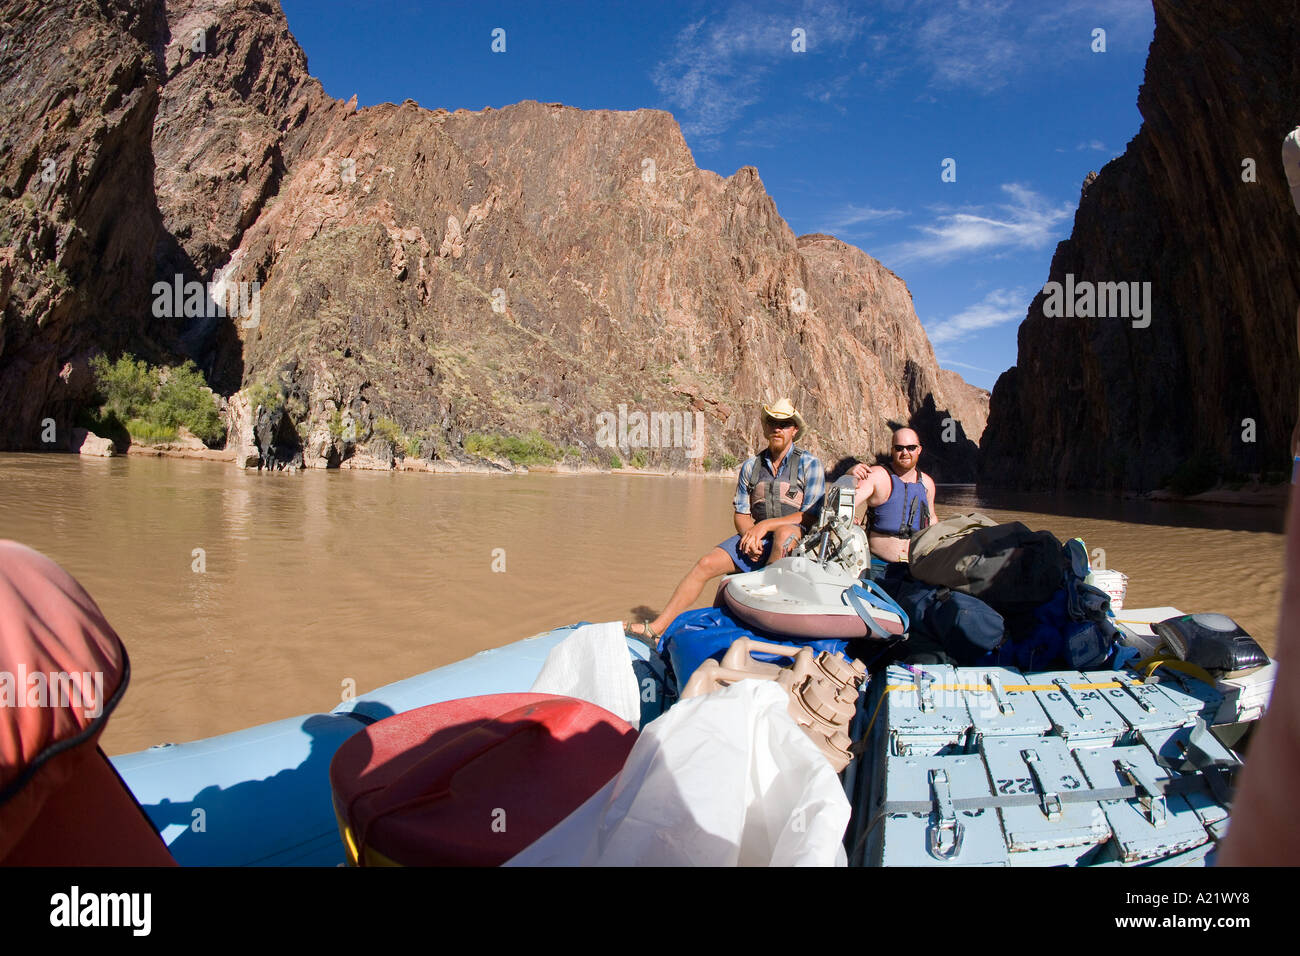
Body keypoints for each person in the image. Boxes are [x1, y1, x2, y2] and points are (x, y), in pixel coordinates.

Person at [627, 398, 825, 645]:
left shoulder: (810, 464)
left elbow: (811, 515)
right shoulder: (751, 467)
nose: (777, 428)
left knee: (784, 533)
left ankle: (764, 625)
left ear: (794, 430)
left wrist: (763, 527)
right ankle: (656, 628)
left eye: (784, 424)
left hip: (795, 540)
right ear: (765, 427)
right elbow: (741, 514)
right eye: (773, 422)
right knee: (705, 564)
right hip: (756, 538)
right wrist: (749, 535)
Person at [850, 427, 937, 563]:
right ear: (892, 450)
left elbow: (932, 519)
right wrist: (849, 473)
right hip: (878, 564)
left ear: (919, 450)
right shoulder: (876, 476)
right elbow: (844, 506)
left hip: (915, 566)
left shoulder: (928, 484)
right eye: (899, 448)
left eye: (911, 448)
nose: (905, 453)